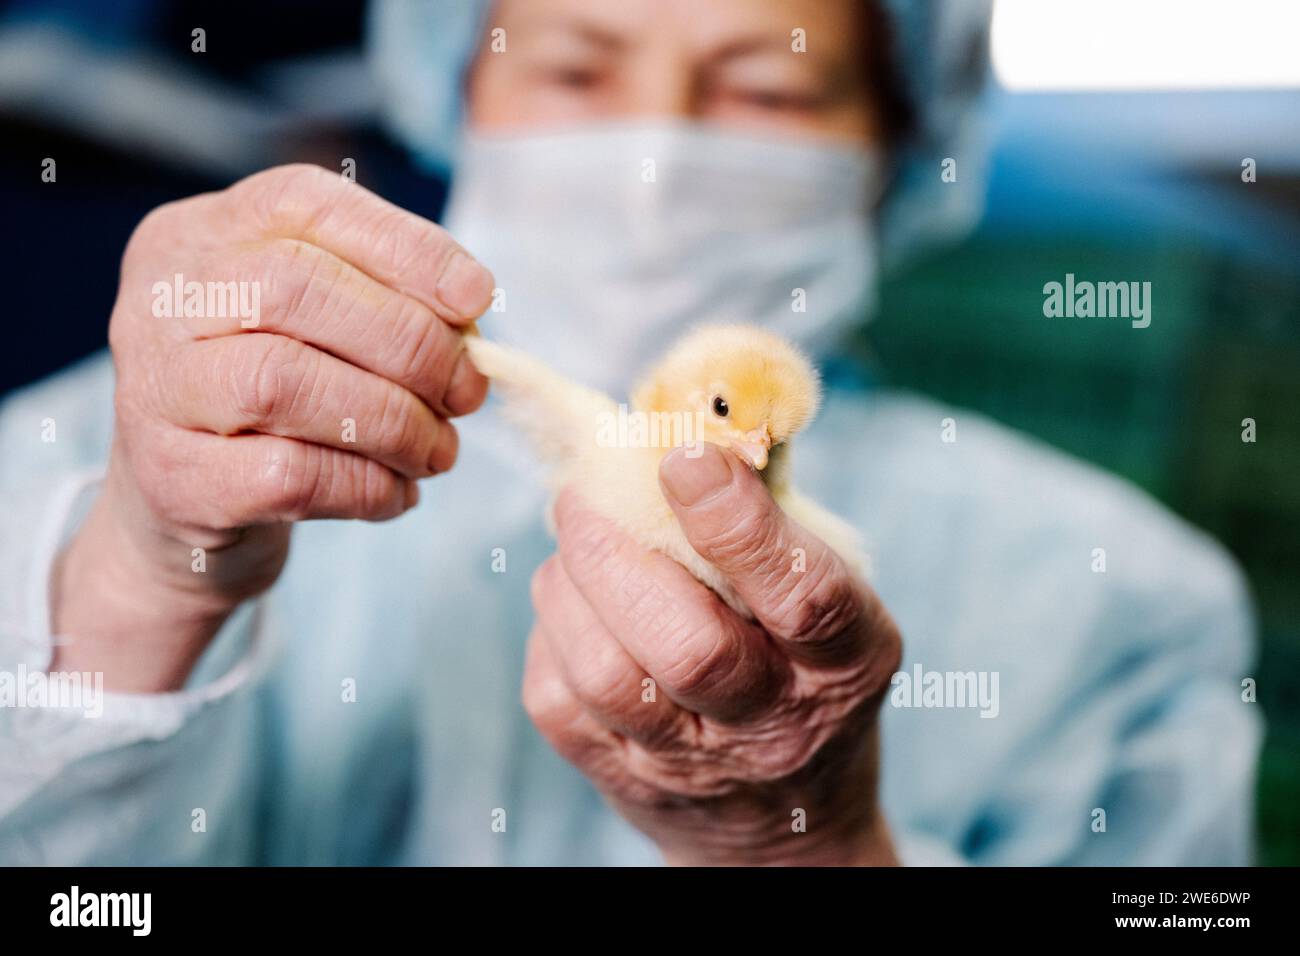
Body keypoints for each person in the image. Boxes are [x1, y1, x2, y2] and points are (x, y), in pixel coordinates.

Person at [0, 0, 1260, 865]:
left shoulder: (1123, 603)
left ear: (898, 146)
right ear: (456, 89)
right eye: (574, 70)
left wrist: (815, 850)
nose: (654, 156)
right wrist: (140, 581)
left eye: (764, 87)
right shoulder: (94, 457)